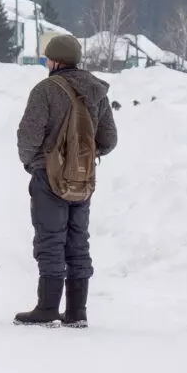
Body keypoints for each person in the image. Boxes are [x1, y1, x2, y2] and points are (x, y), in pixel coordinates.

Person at [14, 34, 117, 328]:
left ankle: (47, 309)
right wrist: (82, 157)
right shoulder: (97, 91)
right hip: (83, 178)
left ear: (55, 60)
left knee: (50, 238)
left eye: (48, 57)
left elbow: (28, 136)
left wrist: (32, 162)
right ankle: (76, 312)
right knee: (77, 241)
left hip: (49, 175)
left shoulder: (46, 89)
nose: (46, 61)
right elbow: (109, 139)